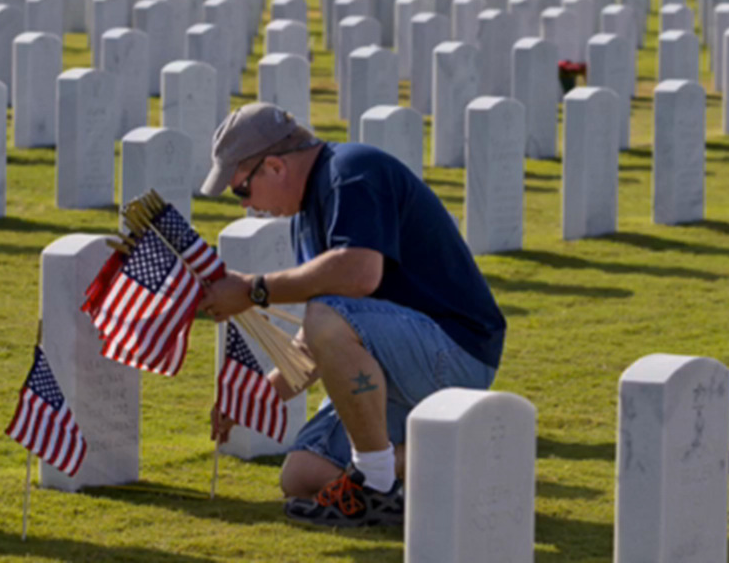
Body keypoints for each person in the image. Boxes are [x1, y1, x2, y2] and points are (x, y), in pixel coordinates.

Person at [196, 103, 506, 528]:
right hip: (394, 365)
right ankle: (452, 452)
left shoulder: (352, 172)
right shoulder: (304, 218)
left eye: (241, 191)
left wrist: (253, 290)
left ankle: (376, 487)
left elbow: (360, 275)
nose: (247, 206)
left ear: (274, 166)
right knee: (301, 476)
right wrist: (254, 398)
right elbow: (319, 341)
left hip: (455, 353)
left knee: (326, 314)